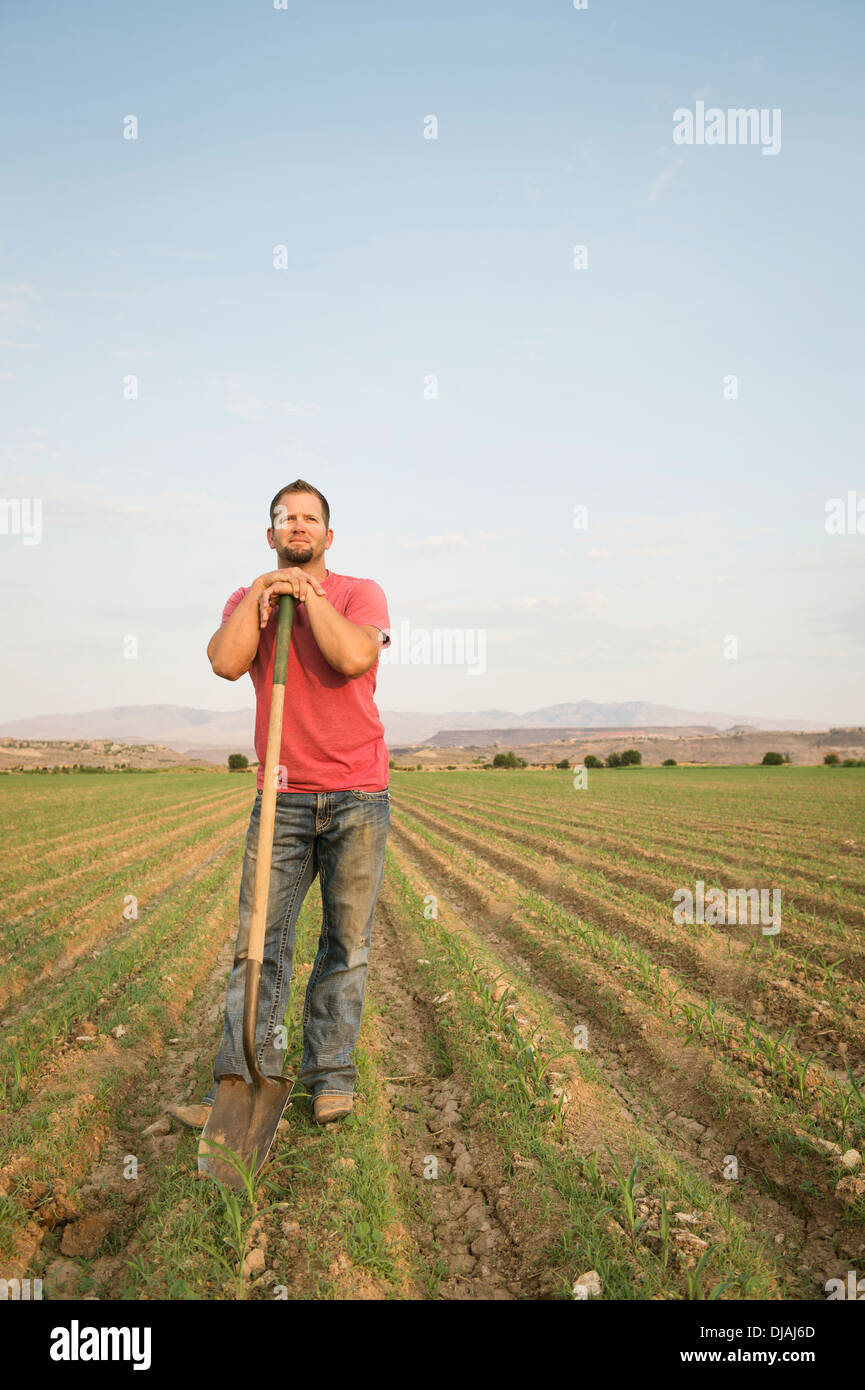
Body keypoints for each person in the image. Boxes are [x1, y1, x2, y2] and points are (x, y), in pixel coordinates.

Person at [167, 479, 391, 1128]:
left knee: (345, 944)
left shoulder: (358, 593)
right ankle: (239, 1083)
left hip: (357, 794)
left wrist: (309, 598)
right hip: (282, 798)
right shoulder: (248, 599)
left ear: (327, 535)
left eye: (309, 518)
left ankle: (330, 1077)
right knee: (259, 945)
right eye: (284, 519)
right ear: (269, 536)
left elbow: (352, 658)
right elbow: (224, 663)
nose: (297, 526)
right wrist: (266, 594)